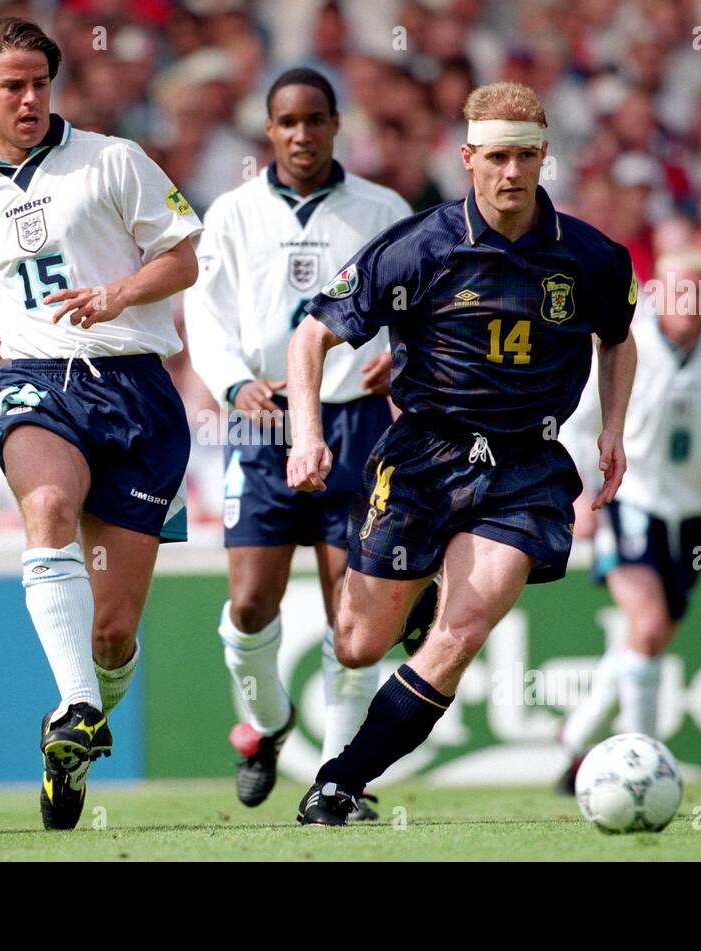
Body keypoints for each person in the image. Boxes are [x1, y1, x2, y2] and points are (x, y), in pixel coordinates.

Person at [285, 81, 638, 825]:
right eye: (498, 157)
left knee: (465, 630)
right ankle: (412, 609)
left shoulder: (592, 257)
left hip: (526, 467)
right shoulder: (420, 245)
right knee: (357, 645)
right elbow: (312, 334)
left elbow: (618, 336)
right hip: (423, 455)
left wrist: (613, 427)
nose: (512, 173)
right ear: (469, 157)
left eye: (527, 157)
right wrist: (309, 433)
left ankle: (339, 783)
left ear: (546, 157)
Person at [0, 17, 200, 830]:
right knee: (48, 510)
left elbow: (184, 257)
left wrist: (118, 294)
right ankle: (75, 709)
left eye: (39, 83)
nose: (27, 99)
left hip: (136, 390)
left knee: (115, 631)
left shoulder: (114, 160)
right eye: (10, 85)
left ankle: (80, 732)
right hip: (36, 385)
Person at [185, 67, 411, 816]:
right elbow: (206, 312)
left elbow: (420, 302)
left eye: (315, 120)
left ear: (336, 123)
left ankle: (336, 779)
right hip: (264, 420)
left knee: (354, 614)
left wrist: (401, 355)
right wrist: (227, 384)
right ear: (269, 131)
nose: (302, 134)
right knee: (250, 603)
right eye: (288, 122)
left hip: (356, 421)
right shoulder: (233, 213)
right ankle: (267, 721)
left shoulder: (383, 209)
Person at [554, 249, 701, 790]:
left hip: (693, 516)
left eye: (699, 291)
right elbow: (575, 422)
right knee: (650, 624)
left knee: (647, 638)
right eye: (679, 289)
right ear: (658, 291)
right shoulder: (622, 347)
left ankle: (577, 736)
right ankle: (644, 762)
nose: (688, 302)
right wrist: (577, 492)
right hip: (628, 501)